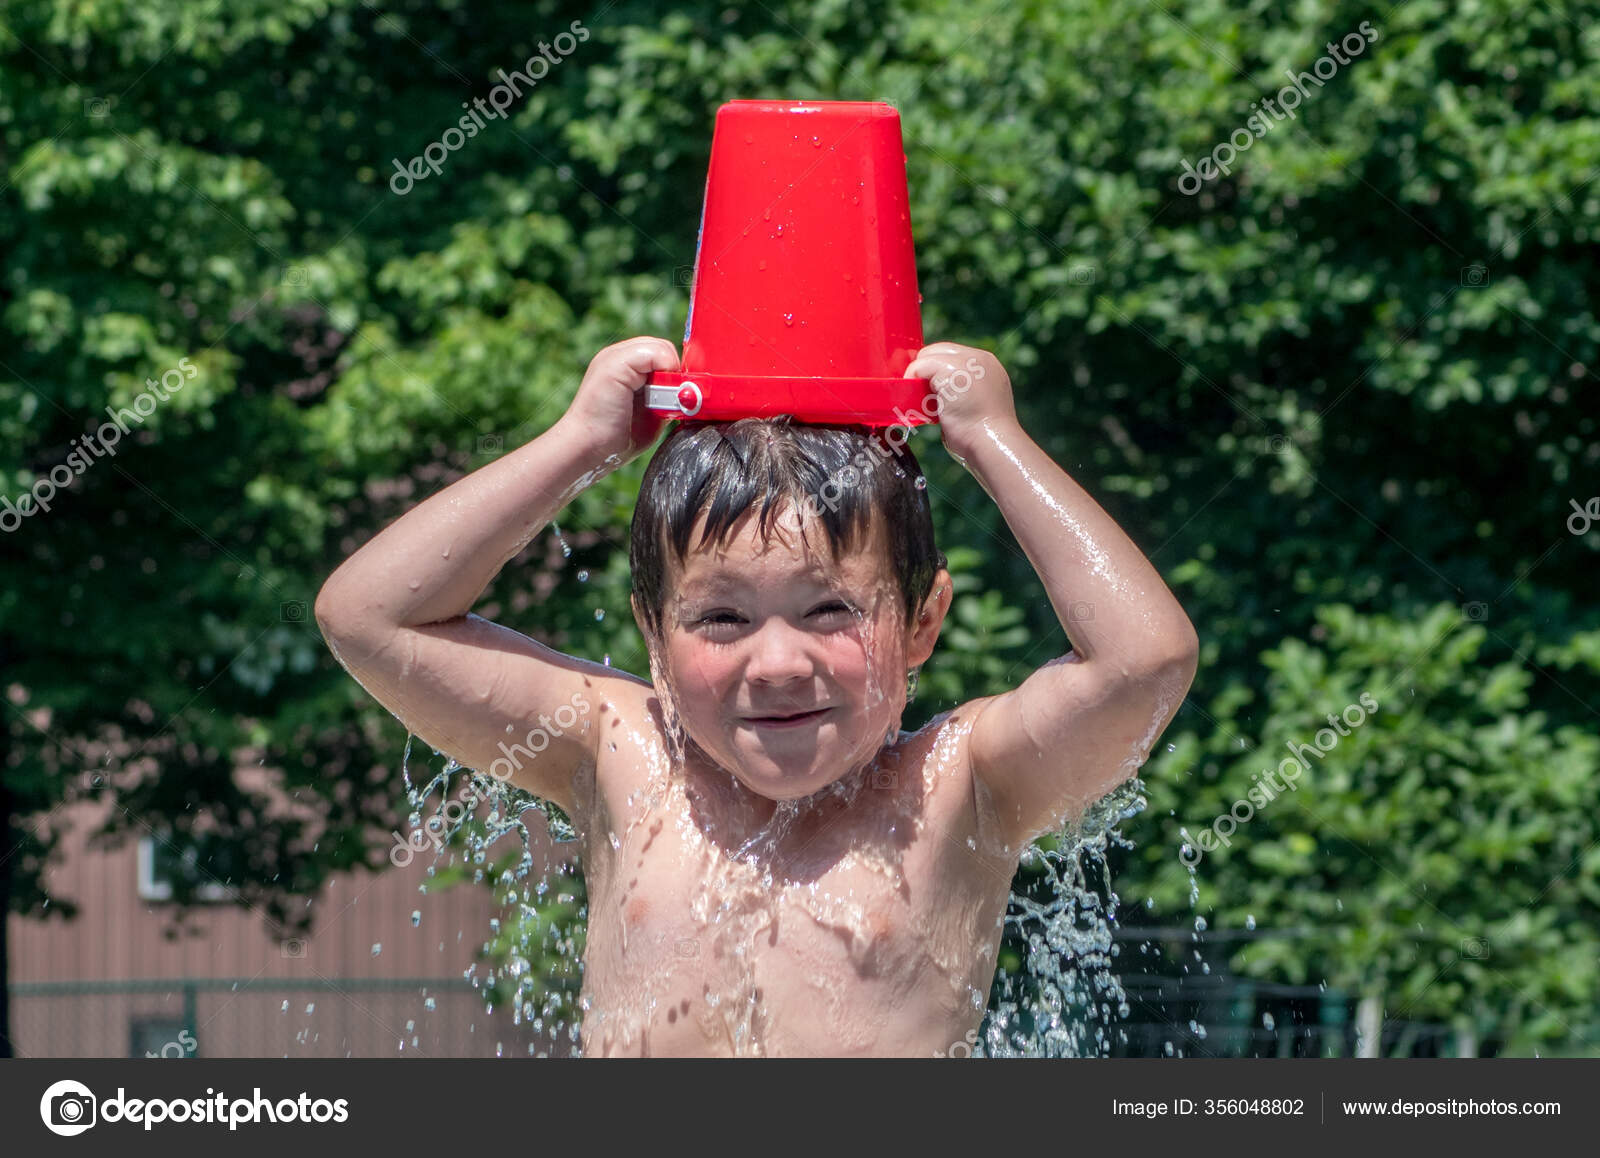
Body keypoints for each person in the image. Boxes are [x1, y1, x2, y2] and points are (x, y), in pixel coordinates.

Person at [314, 337, 1199, 1056]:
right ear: (654, 639)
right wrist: (577, 444)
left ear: (924, 623)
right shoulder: (619, 752)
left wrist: (994, 439)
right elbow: (371, 619)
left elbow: (1144, 662)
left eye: (829, 610)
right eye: (723, 620)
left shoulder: (965, 785)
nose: (777, 663)